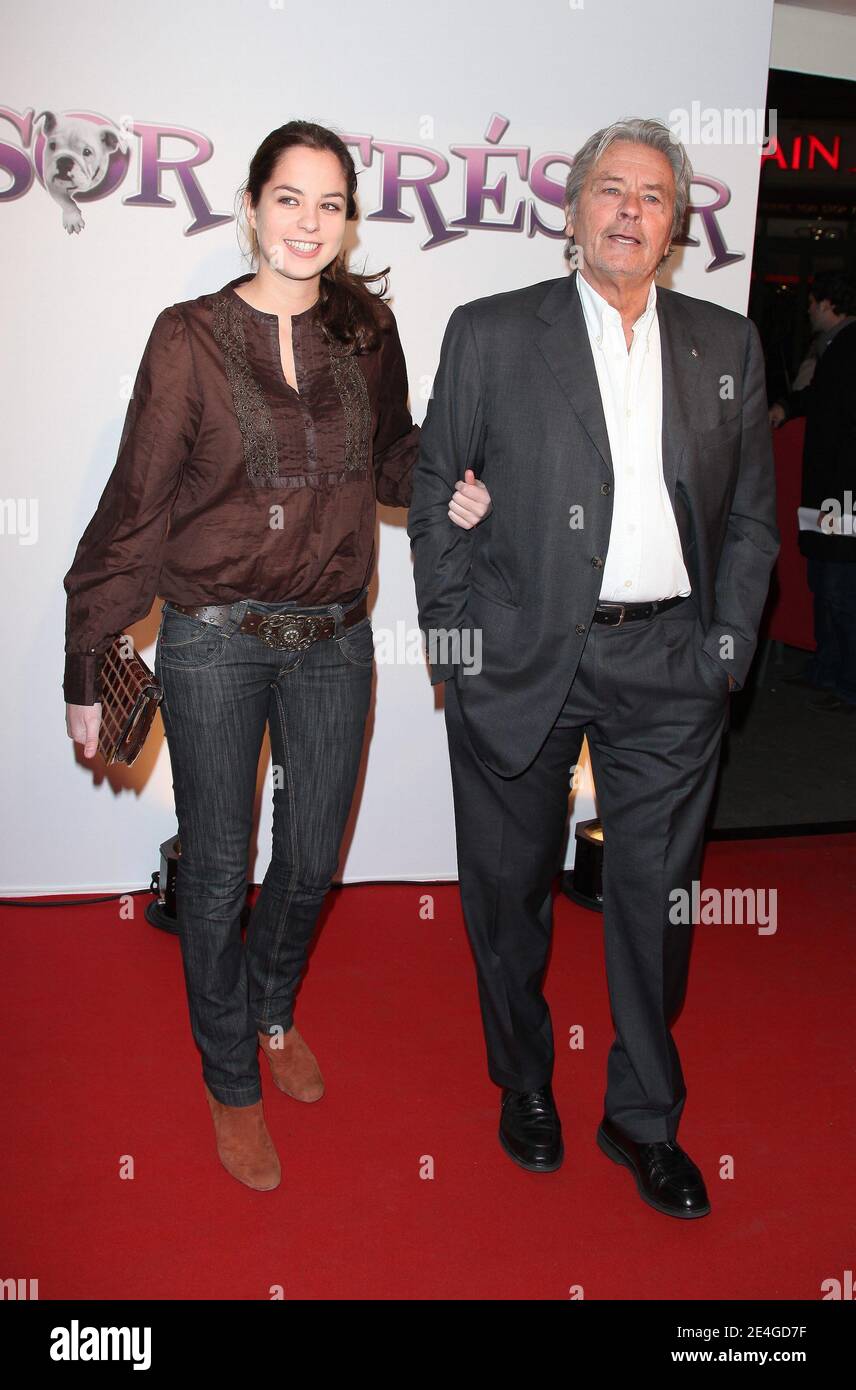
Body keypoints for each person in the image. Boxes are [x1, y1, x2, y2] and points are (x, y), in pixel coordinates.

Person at [63, 121, 492, 1192]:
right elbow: (135, 505)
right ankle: (230, 1078)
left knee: (309, 858)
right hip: (210, 641)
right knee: (214, 873)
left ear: (348, 222)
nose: (308, 222)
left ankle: (269, 1007)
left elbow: (394, 454)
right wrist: (89, 658)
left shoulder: (366, 329)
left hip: (336, 640)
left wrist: (447, 477)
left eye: (330, 204)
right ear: (252, 206)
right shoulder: (189, 339)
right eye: (290, 198)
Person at [408, 117, 779, 1219]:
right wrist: (455, 650)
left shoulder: (727, 346)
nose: (629, 209)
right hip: (519, 657)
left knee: (656, 905)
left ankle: (642, 1115)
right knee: (507, 894)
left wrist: (727, 652)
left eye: (653, 195)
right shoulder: (492, 332)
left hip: (671, 661)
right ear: (568, 213)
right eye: (609, 189)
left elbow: (752, 519)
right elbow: (436, 494)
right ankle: (525, 1081)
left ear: (676, 224)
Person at [769, 272, 856, 713]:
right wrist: (788, 405)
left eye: (812, 303)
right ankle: (826, 669)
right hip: (828, 492)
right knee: (823, 577)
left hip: (842, 494)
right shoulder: (835, 348)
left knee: (839, 584)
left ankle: (847, 681)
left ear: (827, 304)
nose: (807, 311)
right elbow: (818, 399)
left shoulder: (848, 348)